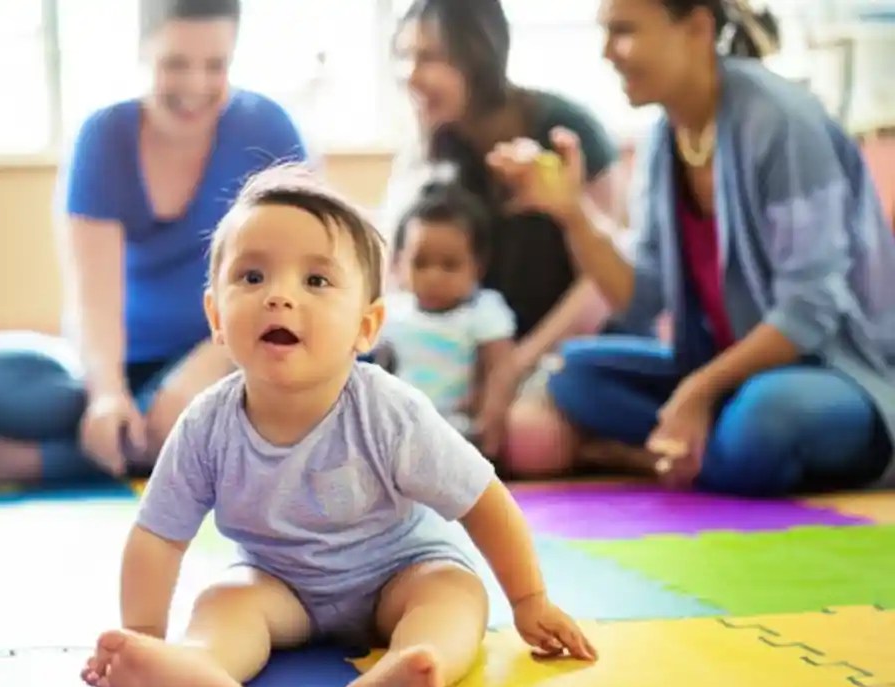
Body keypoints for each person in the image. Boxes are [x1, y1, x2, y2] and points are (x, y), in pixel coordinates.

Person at [81, 167, 595, 687]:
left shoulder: (389, 411)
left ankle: (417, 663)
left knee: (454, 594)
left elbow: (482, 499)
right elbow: (158, 536)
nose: (279, 297)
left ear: (367, 326)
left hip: (401, 569)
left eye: (316, 281)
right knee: (223, 601)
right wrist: (144, 634)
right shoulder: (207, 424)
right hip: (278, 585)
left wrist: (528, 599)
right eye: (252, 277)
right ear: (216, 317)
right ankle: (197, 665)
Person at [487, 0, 895, 495]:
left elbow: (809, 313)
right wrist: (572, 213)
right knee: (572, 374)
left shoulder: (782, 121)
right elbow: (640, 300)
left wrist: (698, 391)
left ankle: (647, 456)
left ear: (698, 28)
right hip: (731, 374)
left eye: (624, 32)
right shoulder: (665, 140)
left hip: (833, 373)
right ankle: (703, 450)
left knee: (763, 423)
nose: (606, 53)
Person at [0, 0, 307, 487]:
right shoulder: (102, 137)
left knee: (307, 385)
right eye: (175, 64)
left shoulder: (270, 129)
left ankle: (61, 462)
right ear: (144, 51)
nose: (195, 86)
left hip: (234, 359)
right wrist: (107, 395)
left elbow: (294, 282)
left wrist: (207, 366)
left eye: (215, 66)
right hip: (124, 363)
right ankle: (151, 443)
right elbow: (93, 300)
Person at [384, 0, 627, 475]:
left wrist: (514, 366)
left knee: (529, 443)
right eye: (404, 57)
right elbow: (397, 276)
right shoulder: (431, 150)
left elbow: (604, 281)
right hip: (472, 357)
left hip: (560, 349)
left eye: (431, 58)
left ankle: (615, 445)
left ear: (481, 55)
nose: (411, 76)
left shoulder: (565, 132)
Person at [375, 183, 516, 440]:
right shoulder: (392, 313)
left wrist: (490, 417)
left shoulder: (483, 311)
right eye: (420, 263)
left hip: (456, 424)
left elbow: (501, 369)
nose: (433, 277)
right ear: (398, 263)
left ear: (478, 266)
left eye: (450, 265)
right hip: (398, 423)